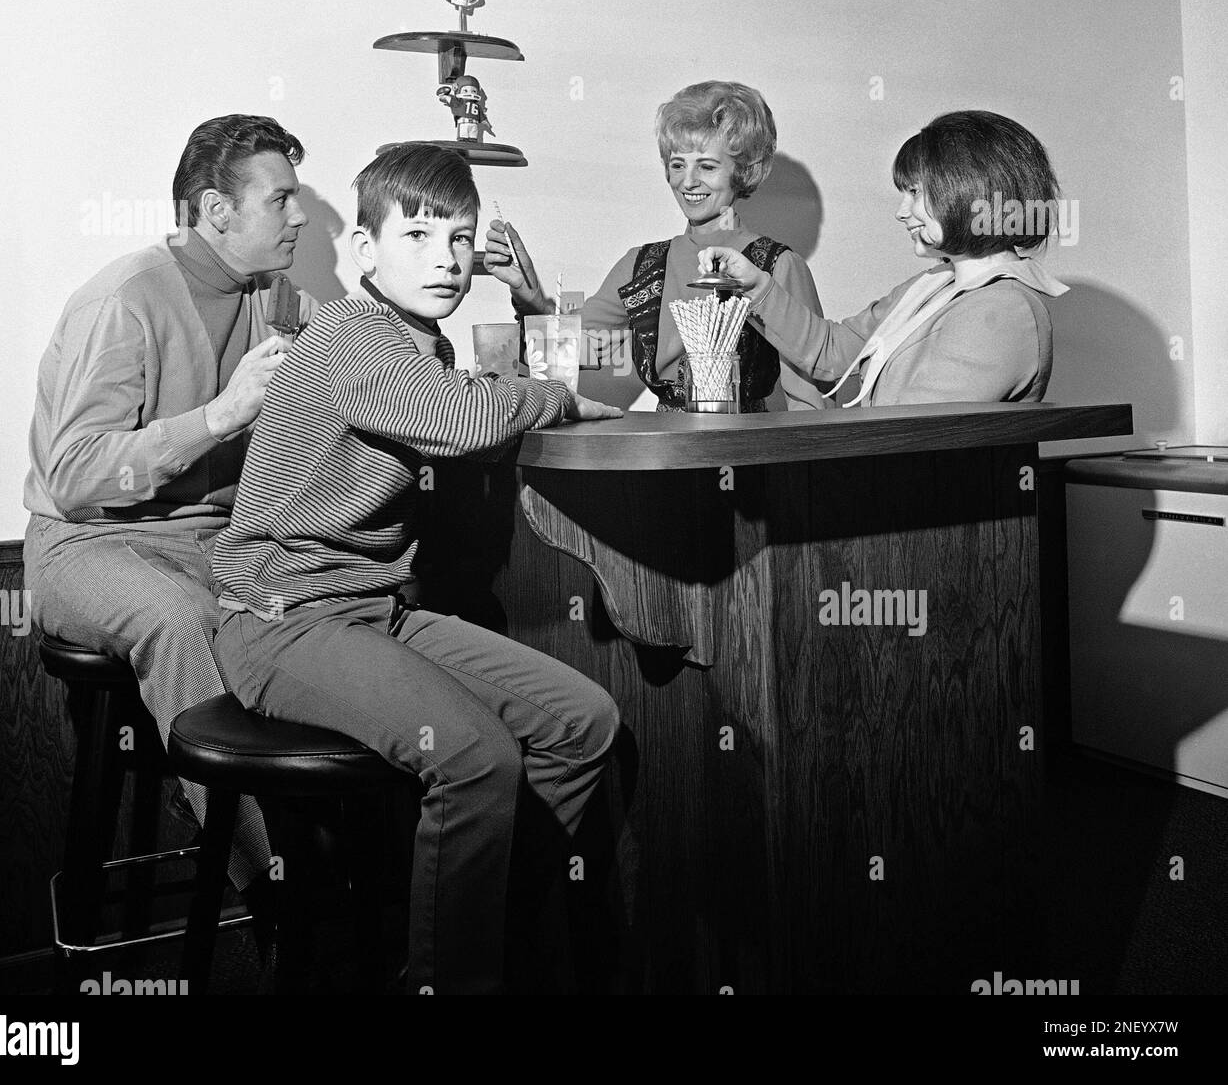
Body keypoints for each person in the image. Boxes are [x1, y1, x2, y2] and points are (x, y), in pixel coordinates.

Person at [209, 142, 623, 995]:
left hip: (371, 611)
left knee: (583, 723)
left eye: (462, 240)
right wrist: (562, 396)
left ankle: (458, 945)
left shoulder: (415, 344)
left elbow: (458, 402)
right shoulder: (348, 336)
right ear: (366, 252)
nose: (446, 259)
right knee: (474, 757)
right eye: (420, 236)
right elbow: (458, 417)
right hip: (281, 620)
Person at [23, 114, 313, 938]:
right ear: (215, 212)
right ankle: (271, 889)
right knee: (181, 621)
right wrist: (220, 417)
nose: (298, 218)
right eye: (282, 199)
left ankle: (355, 865)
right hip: (88, 542)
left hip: (208, 540)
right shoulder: (124, 298)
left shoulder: (277, 298)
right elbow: (76, 477)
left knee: (332, 599)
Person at [485, 80, 826, 411]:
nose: (688, 181)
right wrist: (528, 293)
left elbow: (810, 405)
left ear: (742, 171)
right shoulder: (641, 265)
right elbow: (564, 351)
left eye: (706, 166)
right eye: (678, 164)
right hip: (661, 452)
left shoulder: (776, 265)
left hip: (748, 453)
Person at [698, 109, 1068, 405]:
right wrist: (757, 285)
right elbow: (832, 351)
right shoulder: (935, 285)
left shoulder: (1003, 310)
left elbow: (916, 436)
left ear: (969, 192)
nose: (902, 211)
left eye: (915, 192)